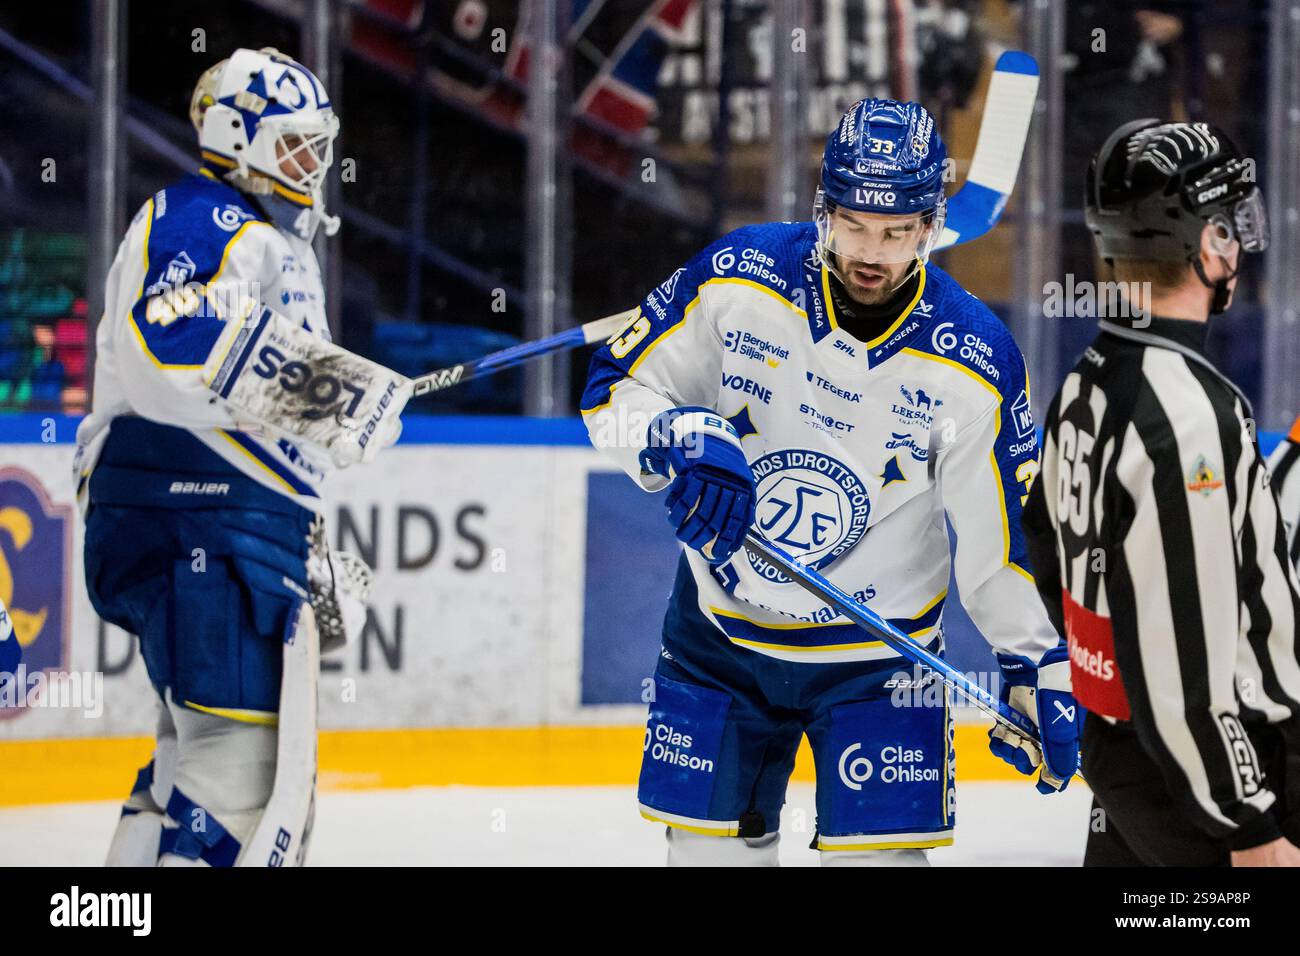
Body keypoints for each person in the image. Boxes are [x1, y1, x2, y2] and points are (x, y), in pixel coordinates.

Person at [581, 98, 1079, 867]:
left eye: (896, 231)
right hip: (718, 641)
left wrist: (1037, 661)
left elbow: (1001, 537)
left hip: (883, 663)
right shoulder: (736, 278)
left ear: (929, 226)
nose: (871, 252)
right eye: (852, 224)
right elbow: (615, 388)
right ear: (823, 210)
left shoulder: (974, 357)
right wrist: (678, 435)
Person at [79, 47, 409, 866]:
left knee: (189, 764)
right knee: (237, 775)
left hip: (220, 520)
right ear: (236, 136)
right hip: (194, 513)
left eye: (317, 144)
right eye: (294, 143)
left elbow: (261, 410)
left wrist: (312, 512)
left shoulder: (275, 244)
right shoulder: (208, 217)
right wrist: (331, 393)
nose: (315, 162)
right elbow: (174, 345)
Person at [1023, 119, 1300, 866]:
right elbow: (1187, 660)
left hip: (1126, 757)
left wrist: (1111, 689)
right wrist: (1250, 824)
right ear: (1210, 244)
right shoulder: (1188, 414)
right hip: (1214, 780)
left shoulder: (1084, 382)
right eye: (1236, 224)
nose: (1243, 246)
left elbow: (1044, 556)